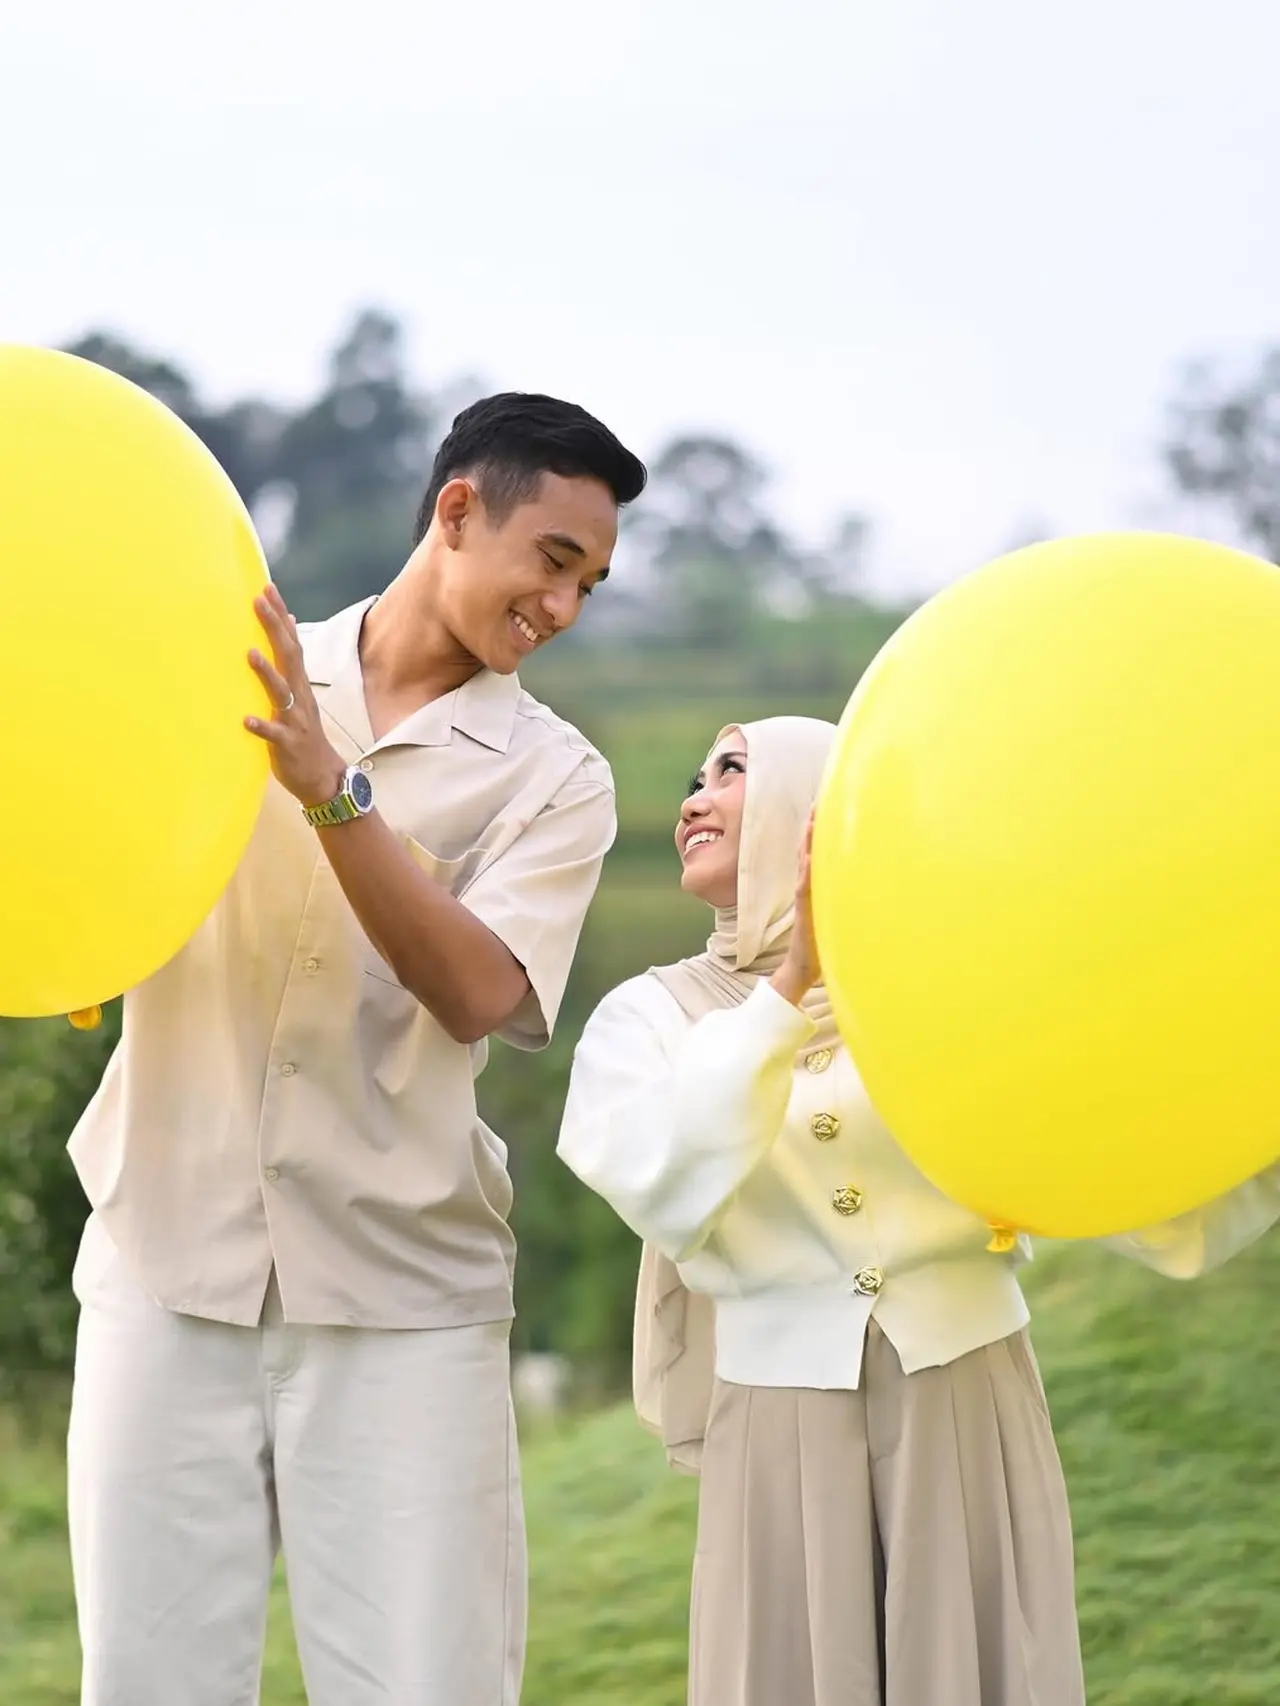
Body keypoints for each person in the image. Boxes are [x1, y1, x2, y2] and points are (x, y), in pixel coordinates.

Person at [66, 392, 647, 1706]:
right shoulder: (231, 672)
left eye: (591, 587)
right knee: (146, 1680)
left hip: (403, 1300)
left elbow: (475, 987)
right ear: (455, 510)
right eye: (554, 561)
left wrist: (333, 790)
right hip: (166, 1260)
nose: (562, 608)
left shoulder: (558, 777)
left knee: (423, 1684)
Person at [557, 714, 1280, 1706]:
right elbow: (657, 1170)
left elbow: (1080, 1137)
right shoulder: (645, 1015)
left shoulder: (940, 986)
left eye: (732, 770)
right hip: (778, 1421)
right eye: (694, 774)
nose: (693, 795)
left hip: (964, 1394)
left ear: (817, 808)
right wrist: (791, 982)